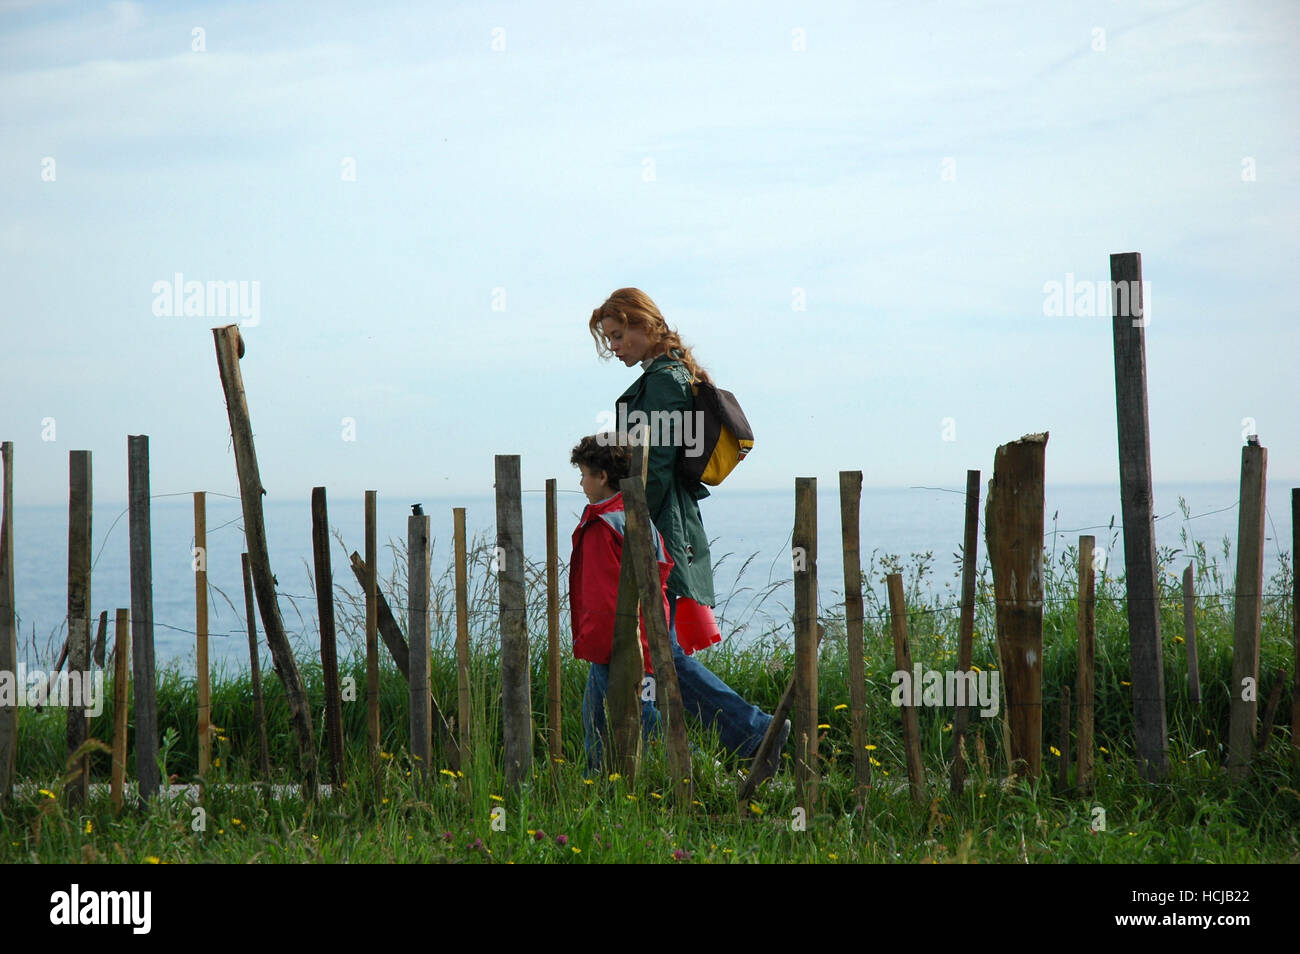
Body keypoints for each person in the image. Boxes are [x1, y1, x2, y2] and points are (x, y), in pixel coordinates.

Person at [587, 287, 790, 786]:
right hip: (667, 528)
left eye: (618, 335)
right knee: (637, 651)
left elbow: (650, 470)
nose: (614, 347)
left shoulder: (661, 384)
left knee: (647, 651)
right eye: (608, 339)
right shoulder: (674, 375)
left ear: (644, 324)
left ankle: (750, 734)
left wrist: (630, 530)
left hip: (655, 532)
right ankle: (631, 760)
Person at [568, 434, 668, 774]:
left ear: (602, 477)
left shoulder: (601, 525)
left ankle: (598, 781)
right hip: (644, 638)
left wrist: (596, 646)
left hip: (616, 645)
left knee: (608, 717)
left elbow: (603, 598)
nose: (581, 483)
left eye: (584, 474)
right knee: (636, 709)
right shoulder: (636, 516)